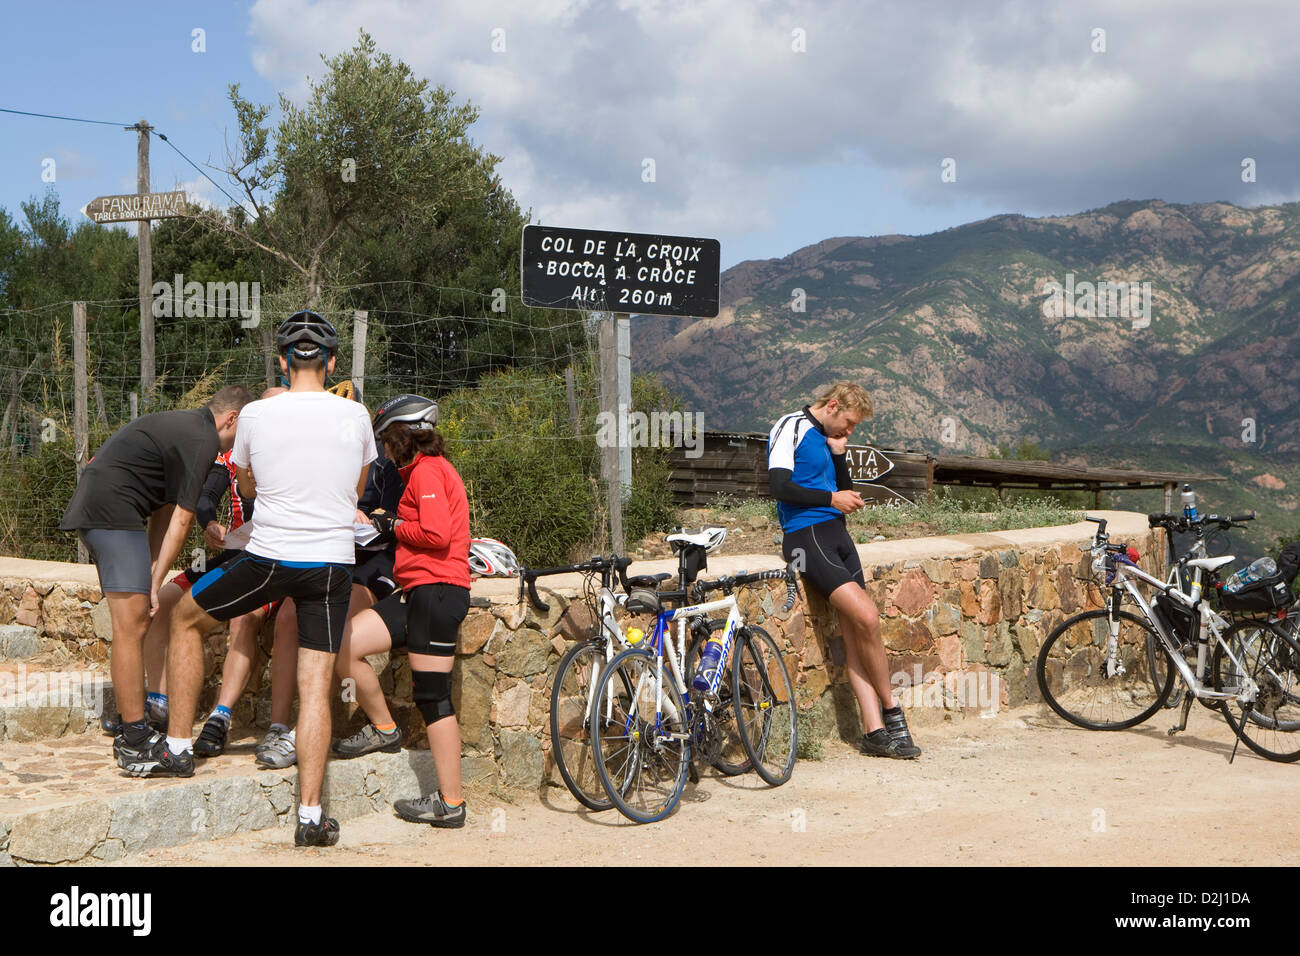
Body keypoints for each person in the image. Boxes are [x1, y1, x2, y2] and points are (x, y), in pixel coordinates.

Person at [132, 310, 375, 851]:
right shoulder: (356, 415)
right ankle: (310, 817)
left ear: (284, 363)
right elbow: (356, 493)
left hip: (269, 556)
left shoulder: (260, 415)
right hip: (333, 564)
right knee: (316, 686)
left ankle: (177, 748)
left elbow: (245, 479)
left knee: (187, 619)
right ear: (331, 362)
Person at [60, 386, 252, 768]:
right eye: (246, 431)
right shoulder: (203, 439)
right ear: (232, 419)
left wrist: (151, 571)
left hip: (109, 508)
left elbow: (163, 511)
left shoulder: (187, 430)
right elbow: (182, 520)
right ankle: (134, 738)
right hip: (112, 511)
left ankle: (137, 726)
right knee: (131, 625)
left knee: (136, 621)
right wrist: (154, 581)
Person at [334, 393, 471, 828]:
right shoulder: (420, 473)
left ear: (404, 437)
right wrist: (384, 521)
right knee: (344, 643)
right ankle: (385, 728)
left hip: (437, 591)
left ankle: (451, 803)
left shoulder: (429, 471)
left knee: (432, 698)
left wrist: (388, 523)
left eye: (387, 441)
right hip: (414, 592)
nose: (384, 451)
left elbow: (434, 533)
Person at [767, 382, 921, 759]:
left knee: (856, 631)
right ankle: (892, 711)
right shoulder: (790, 426)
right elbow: (779, 486)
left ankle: (874, 733)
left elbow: (844, 491)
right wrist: (830, 498)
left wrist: (838, 456)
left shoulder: (827, 437)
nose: (849, 432)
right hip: (805, 536)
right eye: (848, 423)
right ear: (833, 405)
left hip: (838, 535)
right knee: (868, 617)